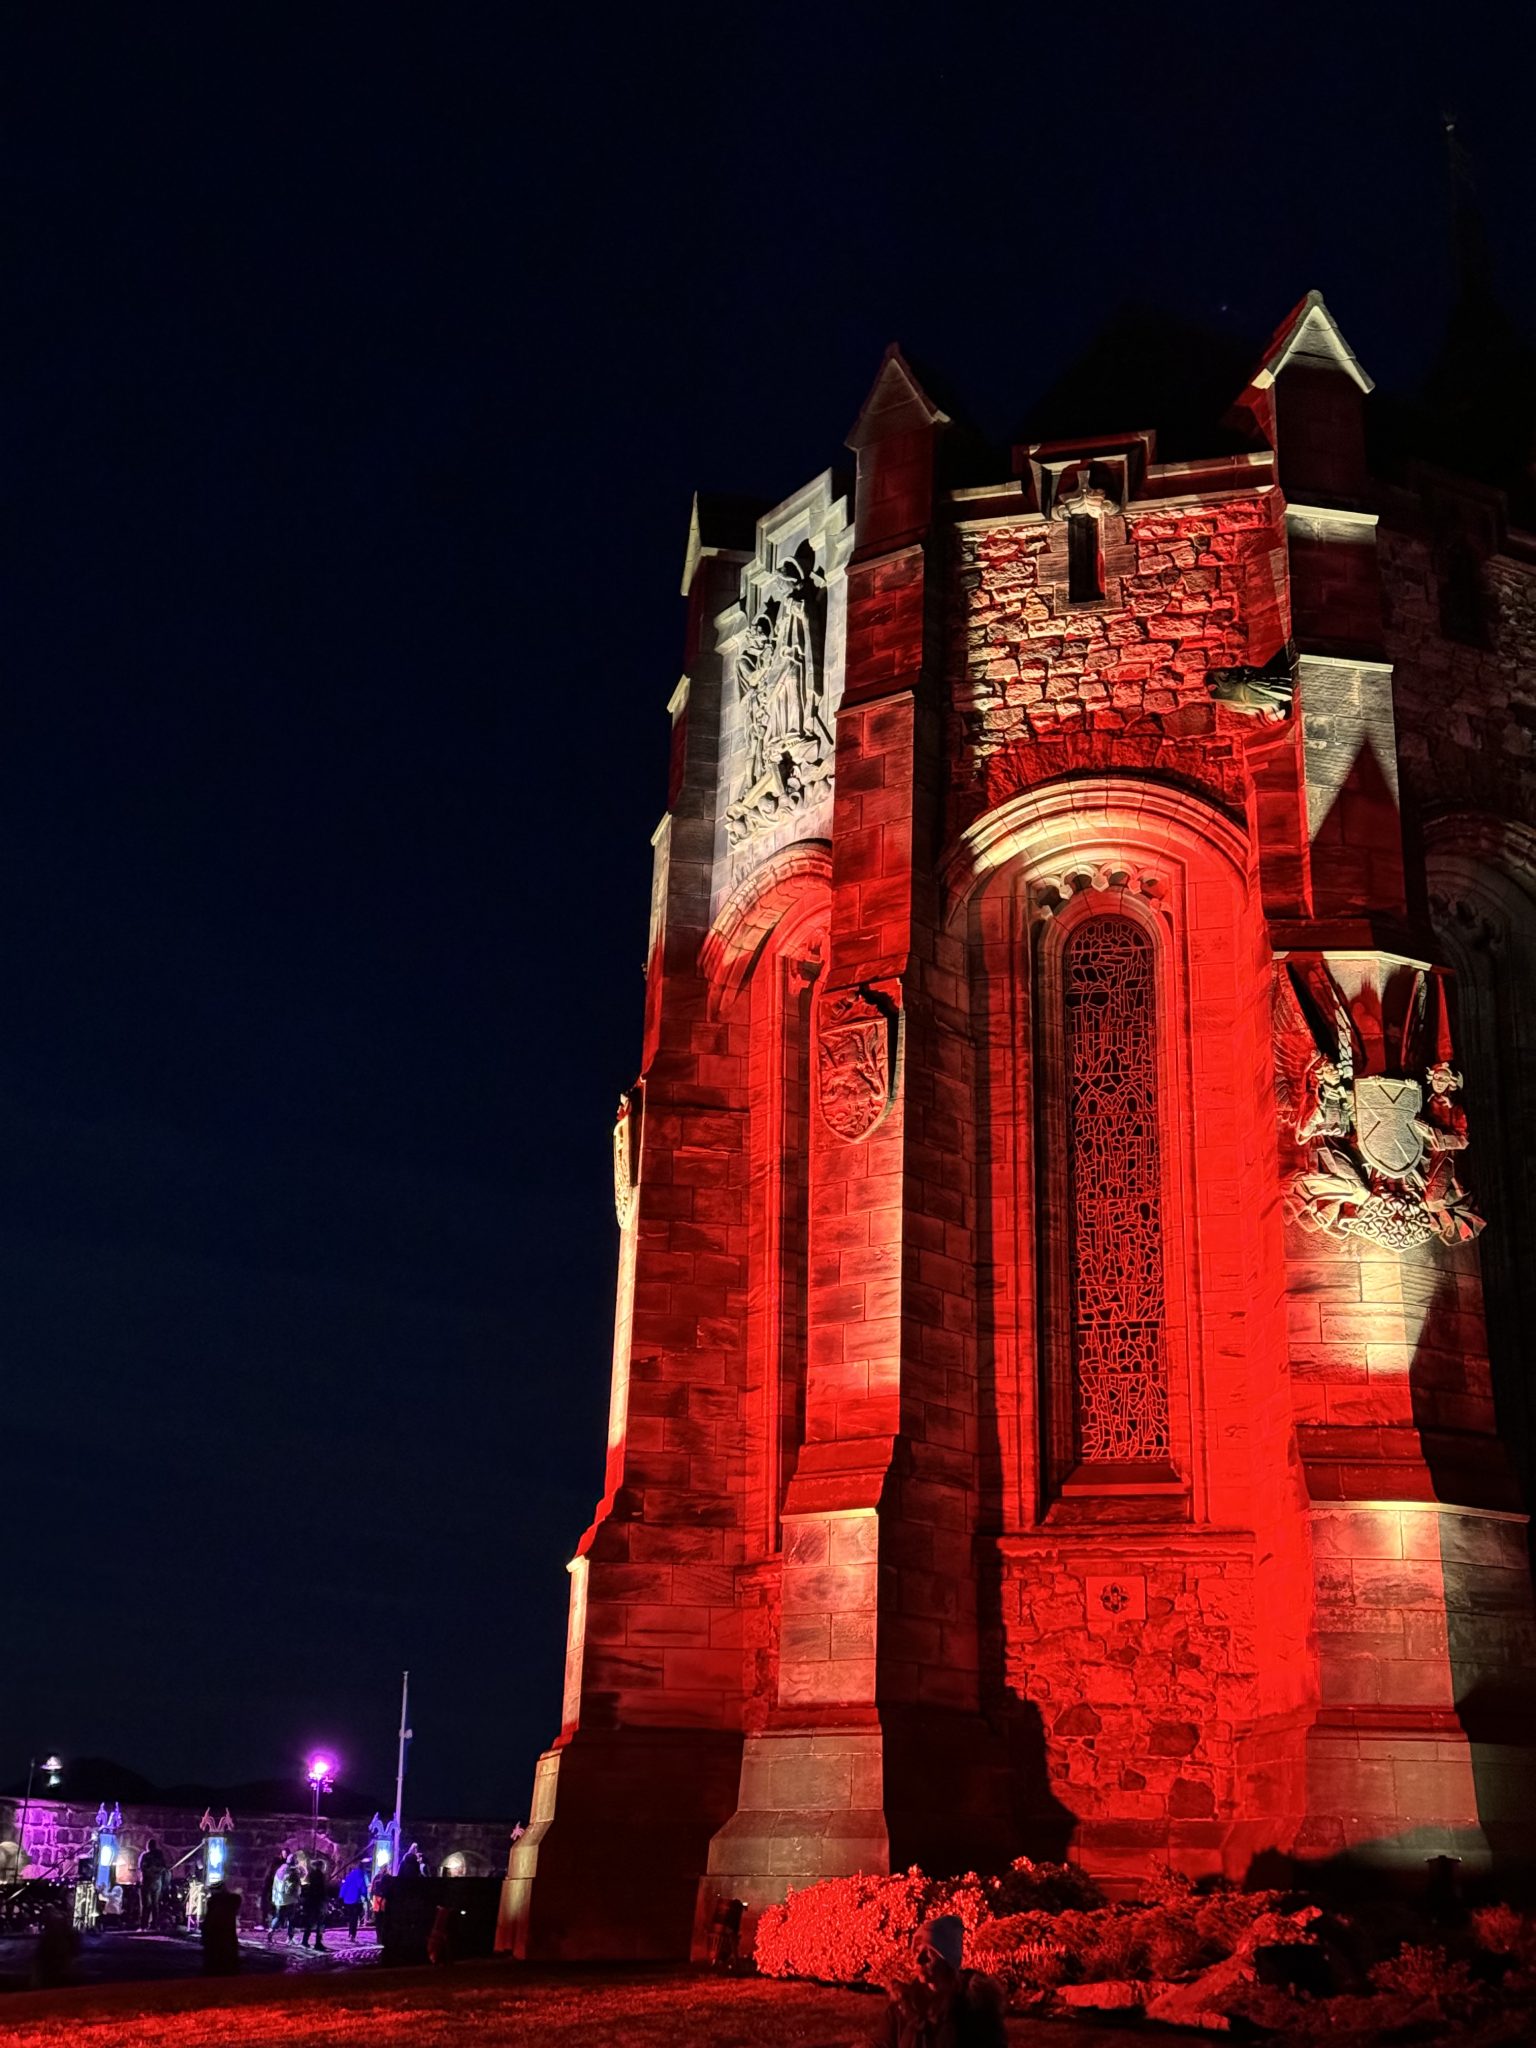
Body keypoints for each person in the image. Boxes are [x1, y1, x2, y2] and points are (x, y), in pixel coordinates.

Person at [871, 1915, 1006, 2048]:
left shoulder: (976, 2011)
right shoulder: (903, 2009)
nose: (919, 1959)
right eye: (917, 1951)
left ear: (948, 1960)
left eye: (930, 1952)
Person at [298, 1856, 330, 1949]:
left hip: (312, 1901)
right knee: (320, 1923)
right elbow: (321, 1890)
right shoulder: (319, 1876)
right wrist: (324, 1900)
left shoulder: (312, 1875)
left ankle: (305, 1940)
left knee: (310, 1922)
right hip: (318, 1902)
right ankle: (317, 1943)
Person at [137, 1839, 168, 1933]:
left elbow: (142, 1867)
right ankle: (154, 1925)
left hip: (147, 1882)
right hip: (157, 1882)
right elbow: (164, 1868)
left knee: (146, 1904)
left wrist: (150, 1872)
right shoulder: (160, 1856)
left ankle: (144, 1925)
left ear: (148, 1846)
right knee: (155, 1904)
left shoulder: (145, 1856)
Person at [337, 1860, 370, 1943]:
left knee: (352, 1917)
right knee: (354, 1918)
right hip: (356, 1900)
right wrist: (366, 1897)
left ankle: (350, 1933)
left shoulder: (350, 1875)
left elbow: (344, 1886)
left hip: (348, 1900)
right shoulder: (361, 1875)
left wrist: (341, 1896)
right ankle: (352, 1934)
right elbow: (363, 1887)